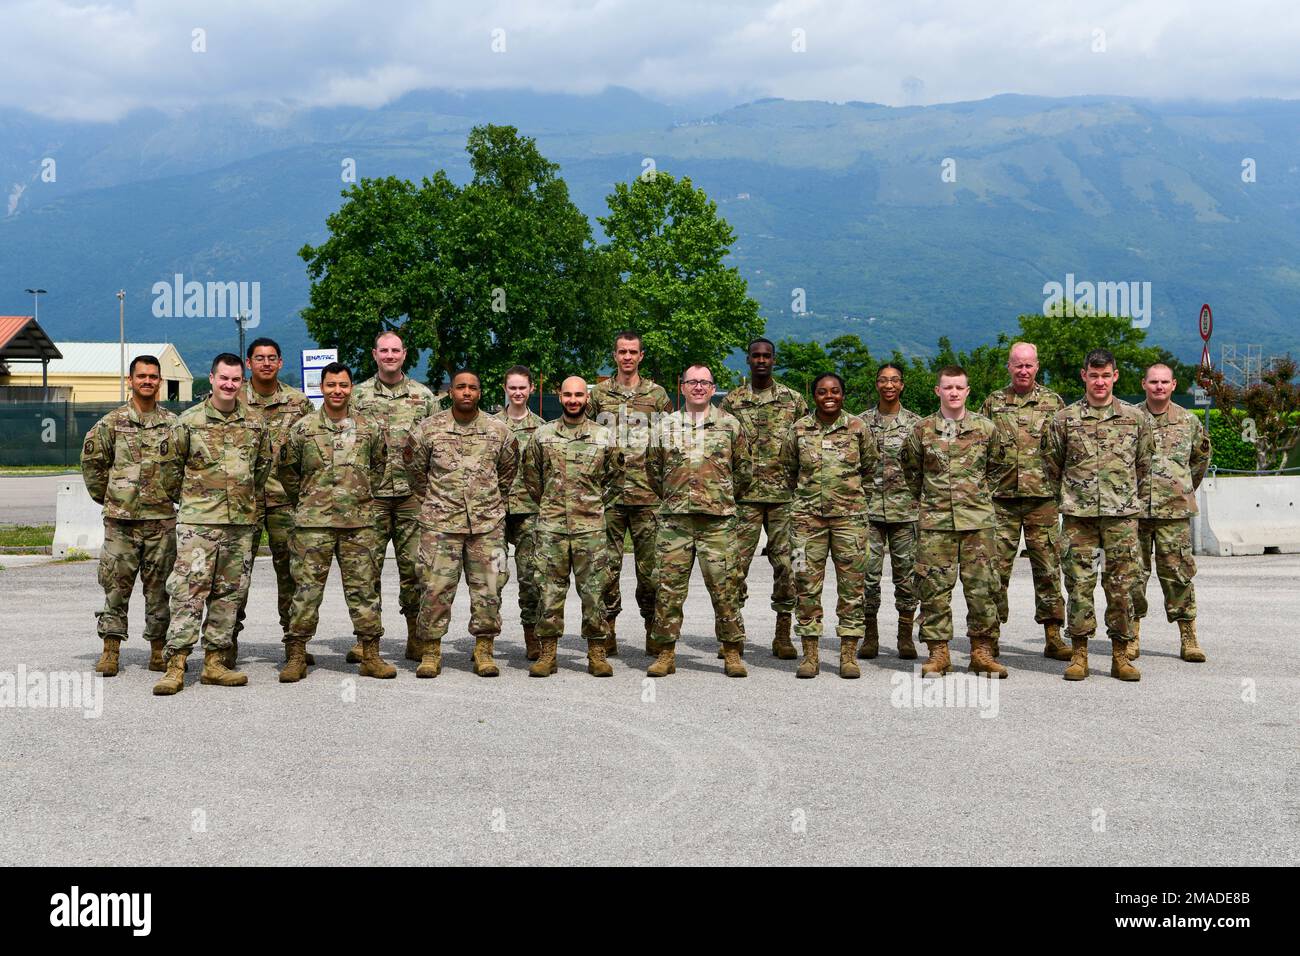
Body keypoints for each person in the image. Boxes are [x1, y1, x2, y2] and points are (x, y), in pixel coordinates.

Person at [152, 354, 273, 695]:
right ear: (212, 378)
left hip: (239, 525)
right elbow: (169, 472)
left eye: (235, 379)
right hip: (199, 525)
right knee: (188, 591)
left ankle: (215, 663)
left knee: (229, 595)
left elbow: (261, 468)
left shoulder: (255, 424)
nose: (229, 385)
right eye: (224, 378)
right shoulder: (188, 422)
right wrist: (195, 502)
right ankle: (176, 665)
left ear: (242, 382)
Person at [1043, 348, 1154, 682]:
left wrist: (1124, 499)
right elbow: (1052, 465)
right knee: (1079, 585)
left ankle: (1120, 655)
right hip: (1079, 519)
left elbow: (1143, 464)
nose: (1100, 382)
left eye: (1106, 376)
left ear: (1115, 376)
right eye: (1094, 376)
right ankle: (1079, 655)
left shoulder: (1135, 418)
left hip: (1121, 518)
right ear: (1084, 376)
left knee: (1121, 587)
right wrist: (1071, 498)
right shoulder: (1064, 419)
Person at [403, 370, 518, 677]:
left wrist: (488, 501)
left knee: (490, 589)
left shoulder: (499, 431)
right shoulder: (428, 429)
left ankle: (484, 650)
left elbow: (507, 472)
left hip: (487, 525)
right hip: (441, 525)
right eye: (460, 387)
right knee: (434, 589)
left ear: (480, 393)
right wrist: (437, 502)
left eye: (472, 388)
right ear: (450, 392)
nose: (467, 392)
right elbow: (414, 472)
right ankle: (430, 651)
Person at [278, 362, 388, 681]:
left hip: (358, 524)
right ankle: (296, 655)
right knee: (306, 592)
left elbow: (379, 466)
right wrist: (308, 499)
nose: (337, 391)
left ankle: (370, 655)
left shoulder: (369, 428)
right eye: (331, 385)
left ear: (351, 388)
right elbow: (287, 471)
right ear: (321, 387)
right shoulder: (303, 429)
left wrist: (359, 496)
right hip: (313, 525)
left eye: (343, 385)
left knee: (364, 590)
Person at [645, 364, 753, 678]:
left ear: (713, 388)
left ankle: (732, 652)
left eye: (705, 382)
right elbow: (653, 470)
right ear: (682, 387)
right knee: (668, 589)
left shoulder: (729, 425)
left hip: (717, 523)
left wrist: (721, 497)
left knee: (725, 588)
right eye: (692, 382)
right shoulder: (665, 426)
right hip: (675, 522)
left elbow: (743, 471)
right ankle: (665, 653)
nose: (698, 387)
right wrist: (674, 497)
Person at [902, 366, 1006, 678]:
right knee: (933, 589)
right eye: (948, 387)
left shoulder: (986, 429)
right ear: (938, 391)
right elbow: (911, 472)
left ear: (967, 391)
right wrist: (932, 501)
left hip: (977, 523)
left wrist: (978, 496)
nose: (954, 392)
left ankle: (982, 652)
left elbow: (997, 468)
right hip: (936, 524)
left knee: (983, 588)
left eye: (959, 387)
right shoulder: (922, 430)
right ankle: (938, 653)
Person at [81, 355, 178, 676]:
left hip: (161, 521)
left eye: (153, 376)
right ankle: (110, 649)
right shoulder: (111, 423)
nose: (147, 381)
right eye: (141, 376)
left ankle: (159, 650)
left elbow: (183, 468)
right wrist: (113, 499)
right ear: (130, 380)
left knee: (160, 589)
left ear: (160, 381)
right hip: (121, 523)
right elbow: (93, 466)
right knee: (115, 587)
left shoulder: (173, 425)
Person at [521, 376, 624, 677]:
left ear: (587, 398)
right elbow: (531, 478)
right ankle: (548, 654)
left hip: (590, 529)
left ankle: (597, 653)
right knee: (549, 591)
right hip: (551, 527)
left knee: (594, 592)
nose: (573, 400)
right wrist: (550, 504)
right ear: (560, 396)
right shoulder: (543, 435)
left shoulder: (603, 436)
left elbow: (616, 479)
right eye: (568, 394)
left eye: (579, 395)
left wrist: (594, 505)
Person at [780, 373, 878, 679]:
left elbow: (870, 467)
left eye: (835, 391)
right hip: (806, 522)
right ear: (814, 396)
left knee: (853, 588)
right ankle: (810, 655)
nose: (829, 396)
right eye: (822, 392)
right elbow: (788, 468)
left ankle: (848, 655)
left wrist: (852, 499)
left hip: (850, 521)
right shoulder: (799, 429)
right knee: (804, 584)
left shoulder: (858, 427)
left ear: (843, 395)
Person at [980, 341, 1070, 660]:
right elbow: (980, 447)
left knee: (1048, 569)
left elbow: (1064, 449)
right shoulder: (993, 403)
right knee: (994, 570)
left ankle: (1053, 635)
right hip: (1001, 500)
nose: (1023, 370)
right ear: (1009, 366)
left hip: (1042, 500)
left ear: (1037, 366)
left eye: (1029, 364)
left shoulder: (1053, 402)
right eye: (1018, 364)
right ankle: (989, 635)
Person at [351, 330, 437, 664]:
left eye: (395, 350)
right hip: (370, 495)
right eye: (384, 350)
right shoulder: (357, 396)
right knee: (365, 571)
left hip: (410, 496)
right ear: (374, 354)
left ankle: (416, 637)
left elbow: (434, 445)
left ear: (404, 354)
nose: (390, 356)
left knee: (415, 569)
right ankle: (366, 639)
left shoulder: (424, 397)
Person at [586, 330, 673, 656]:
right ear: (615, 355)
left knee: (651, 571)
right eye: (622, 351)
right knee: (606, 569)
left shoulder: (656, 395)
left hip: (648, 495)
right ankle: (607, 630)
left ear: (641, 356)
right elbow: (585, 436)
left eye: (632, 352)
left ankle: (653, 628)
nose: (627, 357)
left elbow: (670, 440)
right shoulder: (599, 395)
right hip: (608, 495)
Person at [720, 338, 808, 660]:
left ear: (774, 360)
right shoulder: (732, 402)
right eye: (755, 356)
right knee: (733, 567)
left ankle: (783, 634)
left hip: (785, 498)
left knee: (789, 566)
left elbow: (806, 443)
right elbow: (722, 444)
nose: (761, 361)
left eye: (766, 356)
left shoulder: (793, 400)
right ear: (747, 359)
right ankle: (733, 634)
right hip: (743, 498)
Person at [234, 336, 313, 668]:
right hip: (243, 501)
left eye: (271, 358)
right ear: (248, 363)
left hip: (285, 500)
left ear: (280, 363)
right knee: (234, 575)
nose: (265, 363)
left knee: (293, 574)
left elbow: (310, 451)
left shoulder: (298, 403)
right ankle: (226, 642)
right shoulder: (233, 398)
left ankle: (295, 644)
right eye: (259, 358)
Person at [1132, 363, 1212, 662]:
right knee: (1132, 576)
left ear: (1174, 385)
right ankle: (1130, 635)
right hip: (1136, 511)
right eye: (1153, 381)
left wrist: (1181, 488)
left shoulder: (1189, 421)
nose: (1159, 387)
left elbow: (1200, 460)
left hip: (1174, 513)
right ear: (1144, 384)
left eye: (1164, 382)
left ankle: (1188, 636)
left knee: (1179, 575)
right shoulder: (1129, 419)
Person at [859, 362, 922, 659]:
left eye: (894, 380)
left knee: (907, 578)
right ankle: (869, 635)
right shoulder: (860, 423)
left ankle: (904, 636)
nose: (889, 385)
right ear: (876, 384)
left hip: (905, 512)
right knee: (867, 577)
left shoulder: (916, 424)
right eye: (883, 380)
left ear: (902, 385)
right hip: (869, 511)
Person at [495, 366, 546, 661]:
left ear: (531, 389)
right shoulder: (491, 426)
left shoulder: (542, 428)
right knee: (492, 577)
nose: (517, 393)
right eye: (512, 388)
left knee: (530, 577)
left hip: (529, 511)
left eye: (522, 388)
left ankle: (532, 636)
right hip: (496, 512)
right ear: (505, 389)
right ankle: (486, 638)